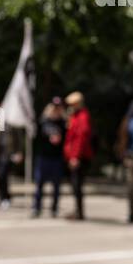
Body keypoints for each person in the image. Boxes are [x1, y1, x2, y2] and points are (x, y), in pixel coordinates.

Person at [62, 91, 95, 221]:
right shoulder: (75, 116)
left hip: (80, 156)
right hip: (74, 156)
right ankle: (77, 210)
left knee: (77, 185)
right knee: (75, 185)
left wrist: (75, 156)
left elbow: (81, 138)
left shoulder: (83, 116)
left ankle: (79, 212)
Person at [32, 99, 67, 218]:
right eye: (54, 107)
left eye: (58, 108)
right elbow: (35, 138)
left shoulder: (64, 123)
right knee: (39, 184)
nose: (56, 110)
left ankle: (54, 209)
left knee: (56, 186)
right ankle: (36, 207)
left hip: (56, 158)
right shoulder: (43, 122)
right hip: (43, 157)